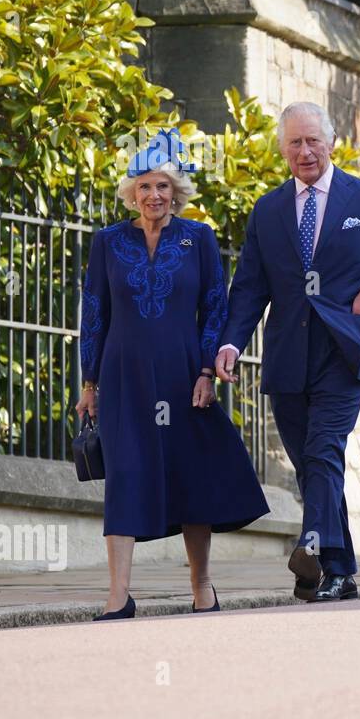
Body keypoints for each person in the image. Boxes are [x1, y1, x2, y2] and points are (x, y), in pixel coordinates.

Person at [215, 102, 360, 601]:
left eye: (313, 140)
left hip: (345, 352)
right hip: (289, 355)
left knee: (323, 450)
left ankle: (311, 548)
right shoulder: (268, 210)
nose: (305, 151)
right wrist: (230, 341)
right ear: (283, 149)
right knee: (313, 466)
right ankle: (341, 570)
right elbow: (249, 288)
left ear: (330, 142)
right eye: (295, 142)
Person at [77, 132, 269, 620]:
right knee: (124, 475)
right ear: (131, 193)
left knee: (189, 477)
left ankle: (201, 583)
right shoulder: (107, 242)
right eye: (144, 187)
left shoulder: (198, 238)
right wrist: (89, 383)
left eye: (162, 186)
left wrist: (207, 369)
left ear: (175, 191)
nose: (154, 196)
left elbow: (215, 306)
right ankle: (119, 595)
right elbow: (94, 313)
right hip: (123, 377)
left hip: (184, 375)